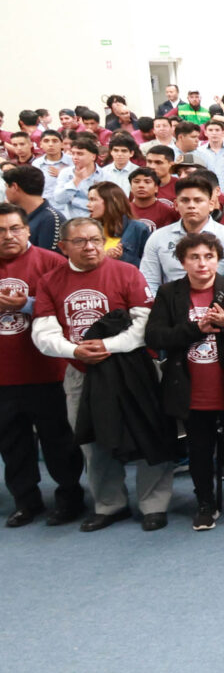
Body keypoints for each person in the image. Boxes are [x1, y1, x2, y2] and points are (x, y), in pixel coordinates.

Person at [31, 216, 165, 531]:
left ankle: (154, 504)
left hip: (132, 367)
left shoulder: (127, 273)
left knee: (150, 434)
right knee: (92, 442)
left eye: (95, 239)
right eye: (80, 241)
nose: (90, 247)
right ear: (63, 247)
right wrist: (74, 351)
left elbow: (144, 326)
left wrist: (106, 345)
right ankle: (109, 504)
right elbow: (43, 332)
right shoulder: (50, 281)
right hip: (80, 372)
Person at [145, 231, 224, 531]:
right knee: (199, 449)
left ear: (218, 259)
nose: (202, 264)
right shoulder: (170, 293)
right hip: (191, 386)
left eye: (208, 257)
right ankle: (205, 503)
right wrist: (195, 329)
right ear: (182, 261)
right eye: (194, 257)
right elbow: (155, 337)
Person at [0, 202, 84, 527]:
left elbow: (69, 310)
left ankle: (69, 496)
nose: (8, 236)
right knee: (12, 443)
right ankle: (25, 501)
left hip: (48, 371)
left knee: (58, 439)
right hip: (4, 375)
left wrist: (29, 304)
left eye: (15, 228)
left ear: (28, 230)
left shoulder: (52, 263)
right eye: (1, 231)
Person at [138, 173, 224, 292]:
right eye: (185, 200)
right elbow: (149, 281)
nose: (191, 206)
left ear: (211, 205)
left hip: (217, 306)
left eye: (198, 200)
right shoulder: (158, 238)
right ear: (176, 205)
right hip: (170, 305)